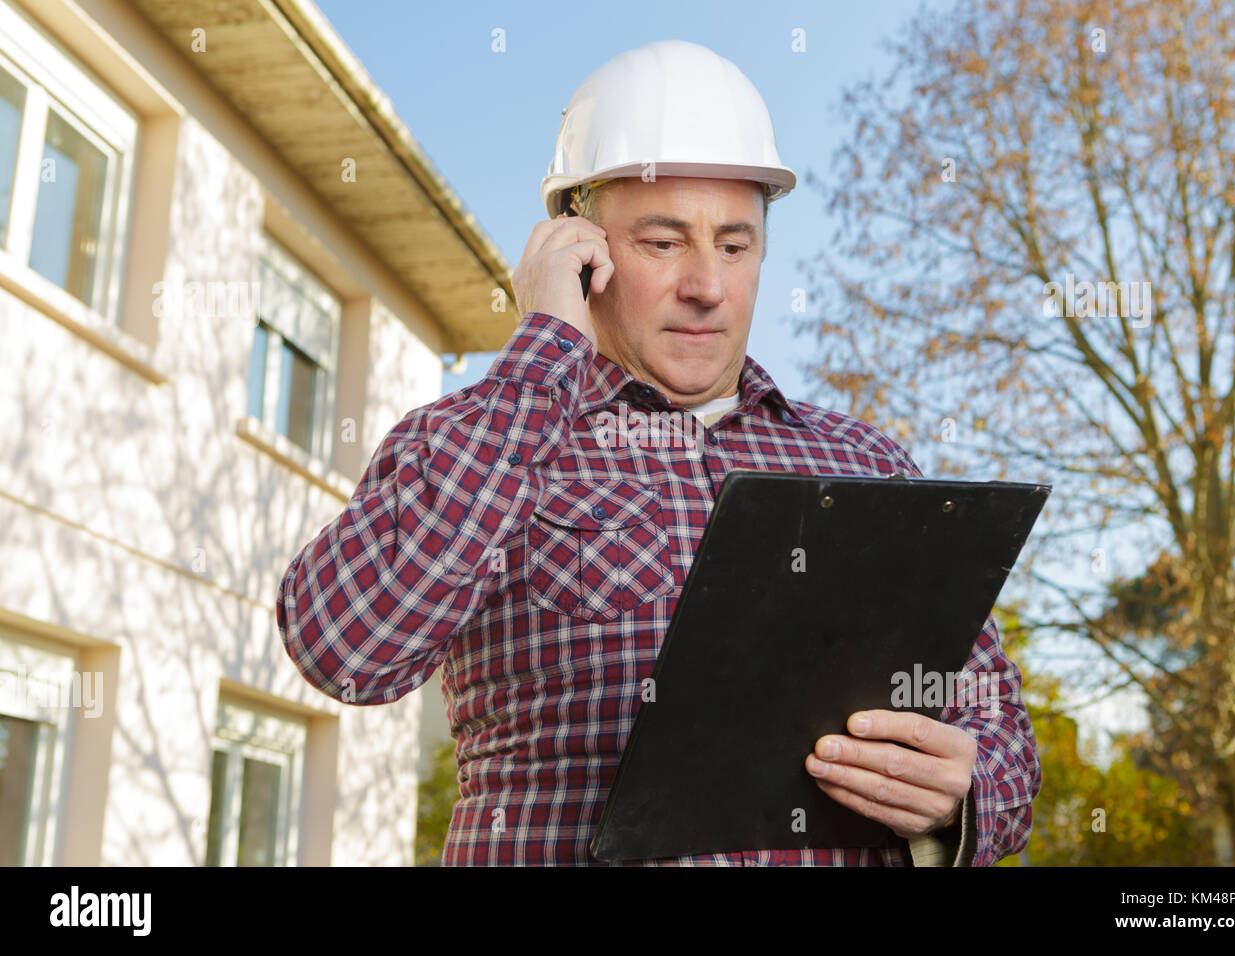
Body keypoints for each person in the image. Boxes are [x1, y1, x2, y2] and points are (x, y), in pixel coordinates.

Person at [276, 39, 1041, 866]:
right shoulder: (476, 440)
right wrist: (544, 350)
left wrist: (958, 802)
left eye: (736, 246)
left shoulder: (867, 464)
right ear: (579, 248)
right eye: (665, 243)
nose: (708, 285)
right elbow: (346, 651)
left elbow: (996, 722)